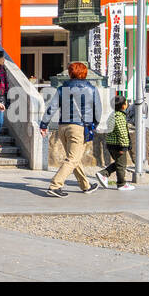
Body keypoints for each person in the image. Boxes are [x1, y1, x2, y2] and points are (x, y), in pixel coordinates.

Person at [39, 60, 102, 197]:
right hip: (79, 127)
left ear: (70, 73)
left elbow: (52, 107)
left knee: (73, 157)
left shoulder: (62, 89)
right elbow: (98, 111)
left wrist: (44, 124)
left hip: (63, 127)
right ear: (84, 73)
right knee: (73, 159)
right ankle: (55, 185)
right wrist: (94, 125)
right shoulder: (92, 89)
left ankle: (86, 186)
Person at [96, 94, 135, 191]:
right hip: (119, 145)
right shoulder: (120, 117)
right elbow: (122, 133)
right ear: (123, 106)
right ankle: (121, 184)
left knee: (118, 163)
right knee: (122, 165)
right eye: (126, 103)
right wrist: (124, 147)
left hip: (111, 144)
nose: (127, 104)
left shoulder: (112, 115)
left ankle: (104, 174)